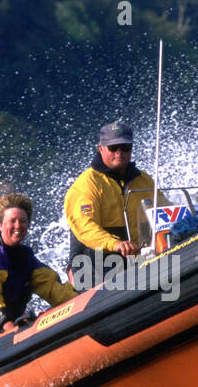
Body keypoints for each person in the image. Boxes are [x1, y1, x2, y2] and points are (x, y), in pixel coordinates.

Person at [0, 193, 77, 349]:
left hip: (10, 325)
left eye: (23, 221)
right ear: (0, 225)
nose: (18, 226)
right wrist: (8, 326)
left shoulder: (26, 257)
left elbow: (51, 288)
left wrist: (81, 299)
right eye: (12, 221)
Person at [63, 120, 163, 289]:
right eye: (113, 148)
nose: (119, 152)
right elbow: (85, 226)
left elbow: (165, 210)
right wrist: (115, 244)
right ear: (100, 148)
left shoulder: (143, 180)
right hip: (97, 263)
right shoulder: (87, 184)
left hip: (134, 259)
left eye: (125, 147)